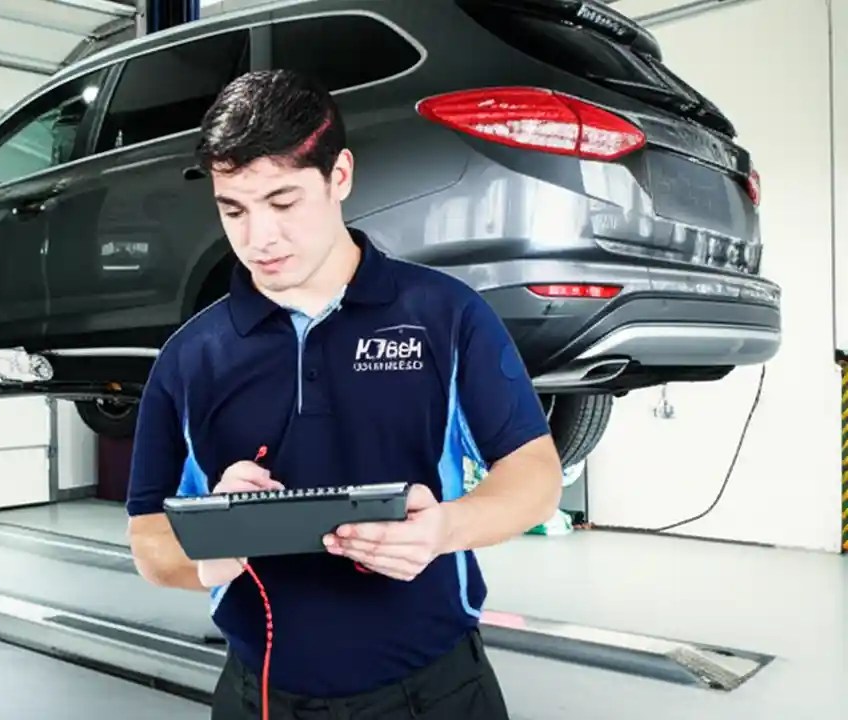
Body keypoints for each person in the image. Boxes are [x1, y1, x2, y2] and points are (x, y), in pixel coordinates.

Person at [124, 69, 564, 720]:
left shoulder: (446, 314)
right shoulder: (190, 357)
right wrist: (216, 548)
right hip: (260, 698)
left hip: (436, 692)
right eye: (234, 210)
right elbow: (150, 543)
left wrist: (445, 528)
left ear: (340, 177)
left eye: (283, 202)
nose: (259, 239)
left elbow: (535, 475)